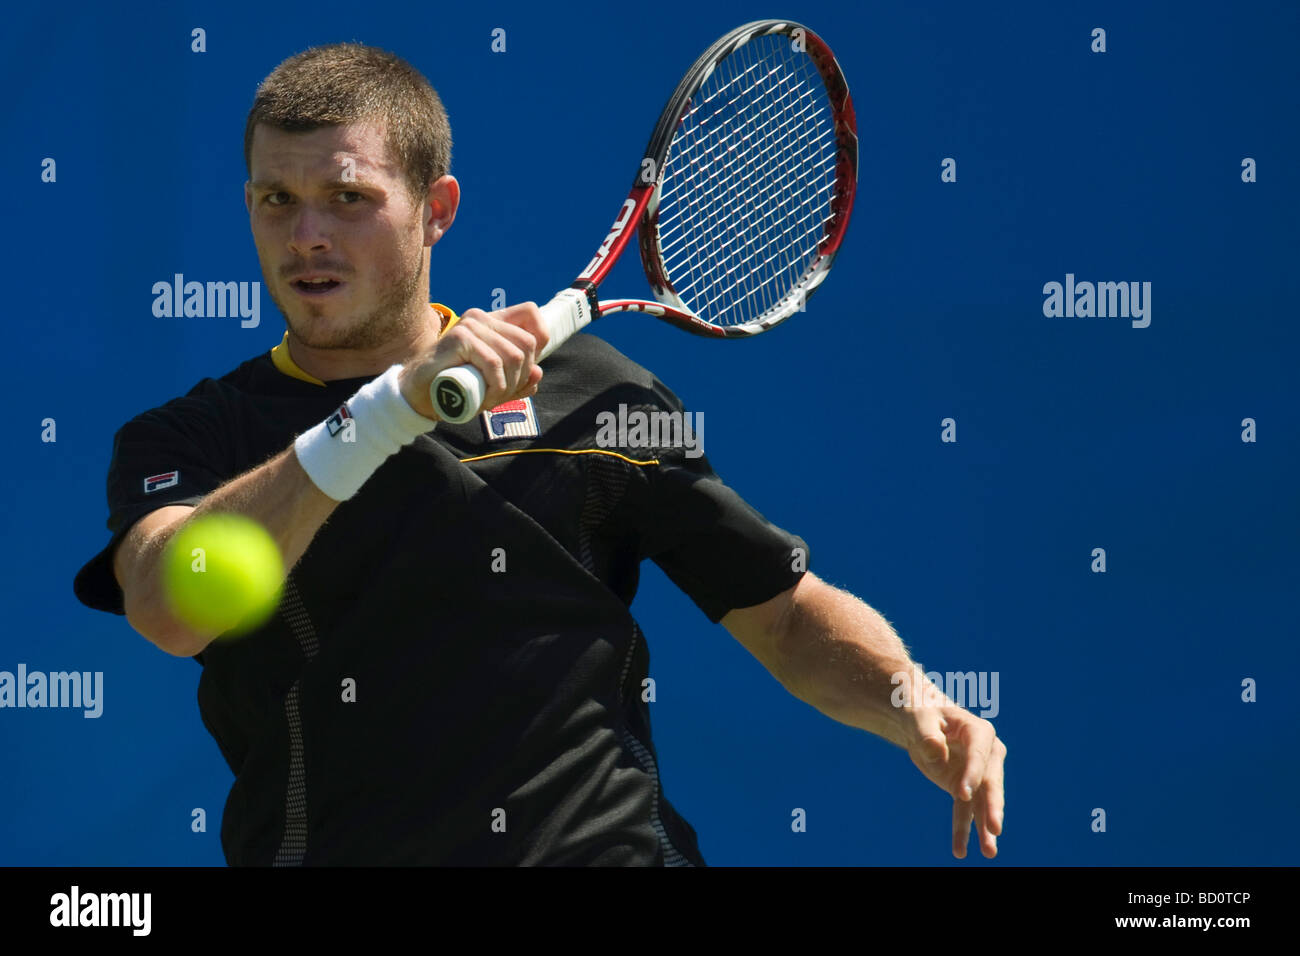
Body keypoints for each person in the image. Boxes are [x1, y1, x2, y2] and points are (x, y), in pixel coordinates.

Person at [73, 43, 1006, 866]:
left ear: (436, 211)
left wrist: (906, 696)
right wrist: (388, 410)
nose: (306, 235)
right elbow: (168, 605)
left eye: (348, 198)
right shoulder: (193, 438)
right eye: (278, 200)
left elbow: (784, 615)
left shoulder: (597, 394)